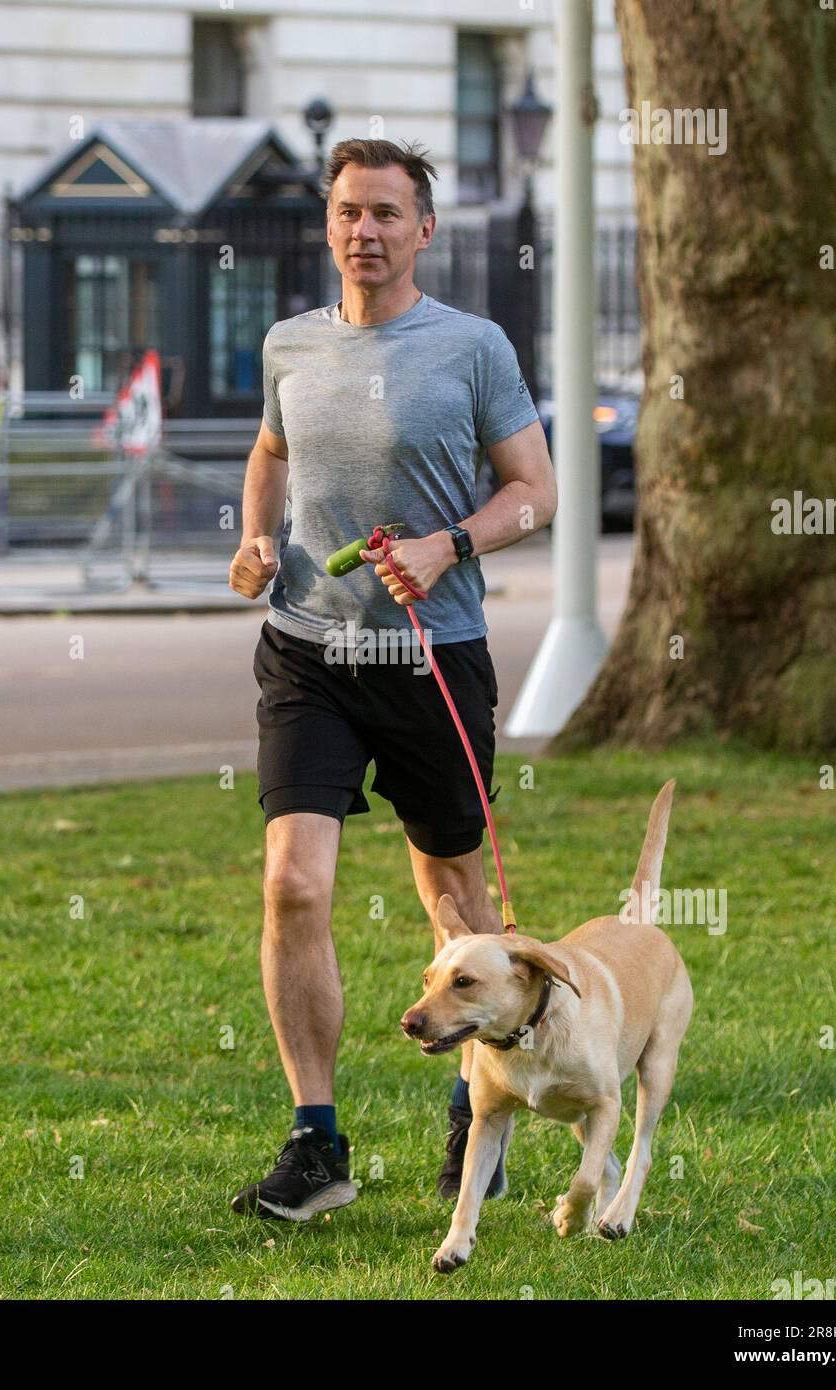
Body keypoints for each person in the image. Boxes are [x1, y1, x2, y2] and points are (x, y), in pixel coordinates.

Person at [227, 137, 556, 1222]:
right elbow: (274, 450)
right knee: (292, 883)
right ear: (327, 224)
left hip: (430, 656)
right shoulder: (290, 342)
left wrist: (447, 547)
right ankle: (316, 1145)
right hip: (309, 650)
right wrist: (256, 538)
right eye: (347, 212)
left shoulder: (471, 347)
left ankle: (484, 1104)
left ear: (423, 230)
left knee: (457, 901)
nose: (364, 231)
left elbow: (535, 492)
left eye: (385, 214)